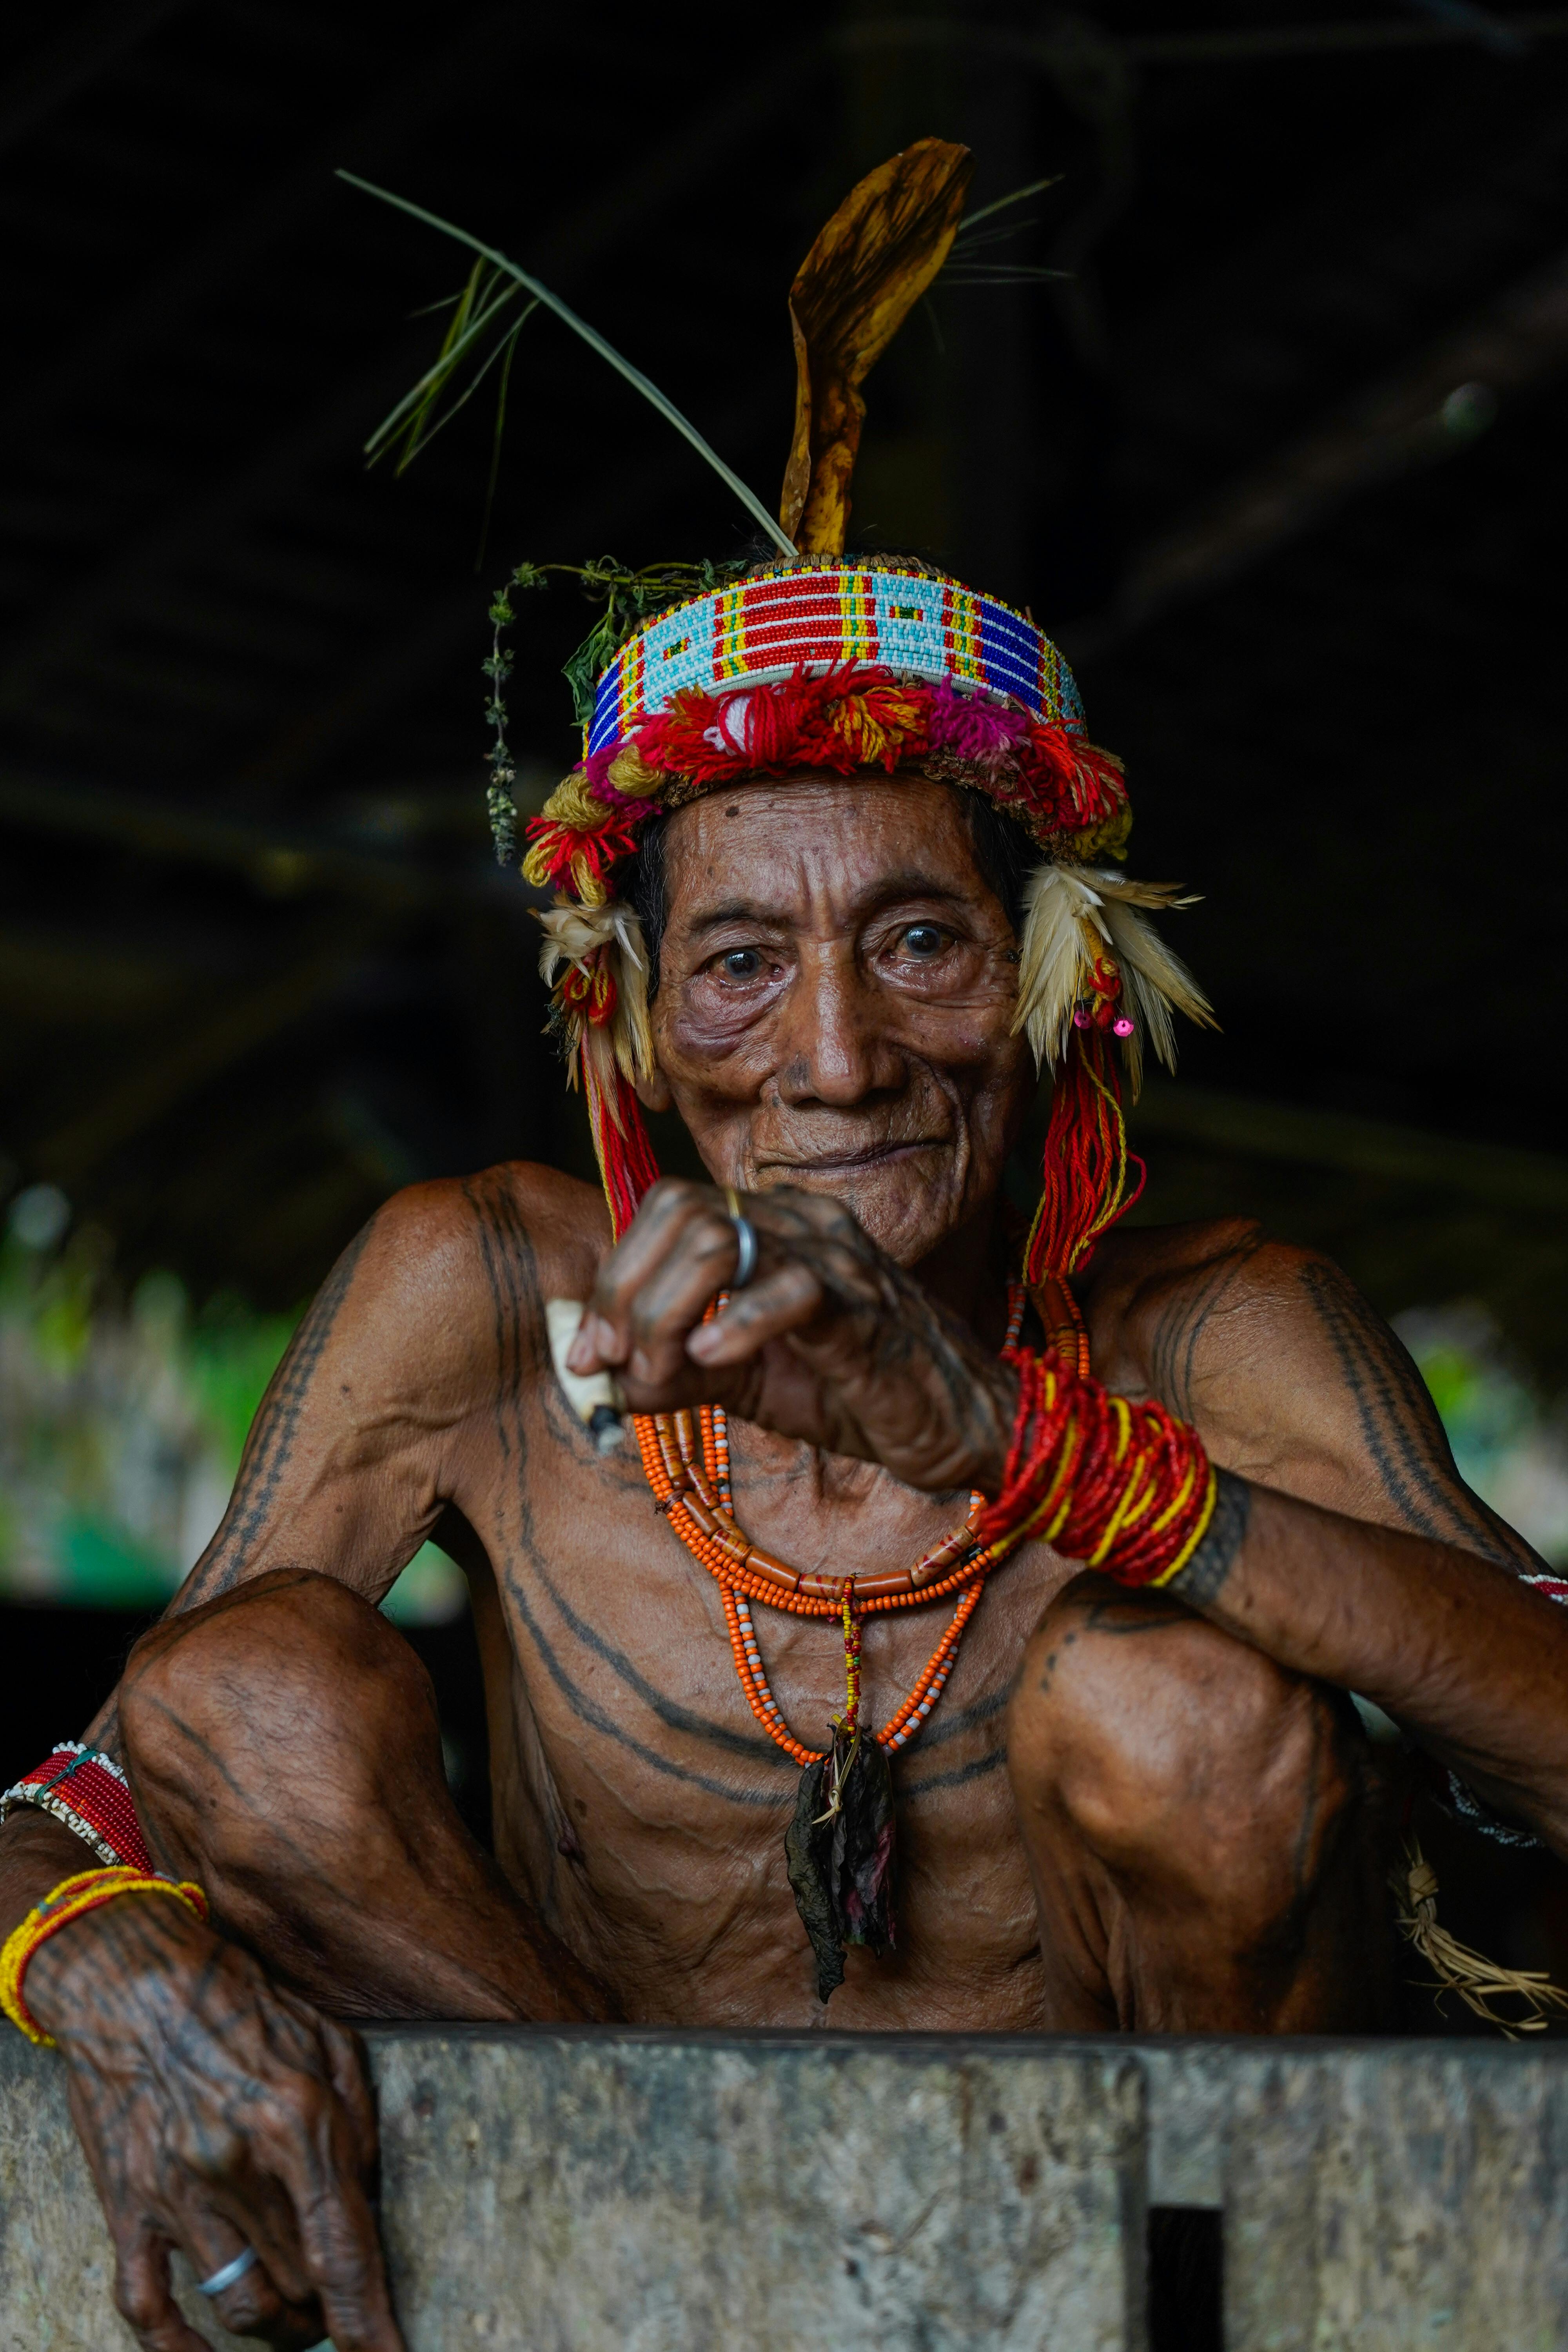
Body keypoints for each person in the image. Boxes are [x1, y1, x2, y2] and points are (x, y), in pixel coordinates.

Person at [5, 140, 1568, 2352]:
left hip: (1163, 2281)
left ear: (1057, 991)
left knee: (1174, 1714)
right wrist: (85, 1953)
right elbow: (63, 1803)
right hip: (604, 2272)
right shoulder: (475, 1290)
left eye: (922, 939)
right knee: (234, 1695)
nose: (835, 1056)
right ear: (626, 1013)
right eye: (739, 961)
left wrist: (1034, 1453)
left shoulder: (1219, 1331)